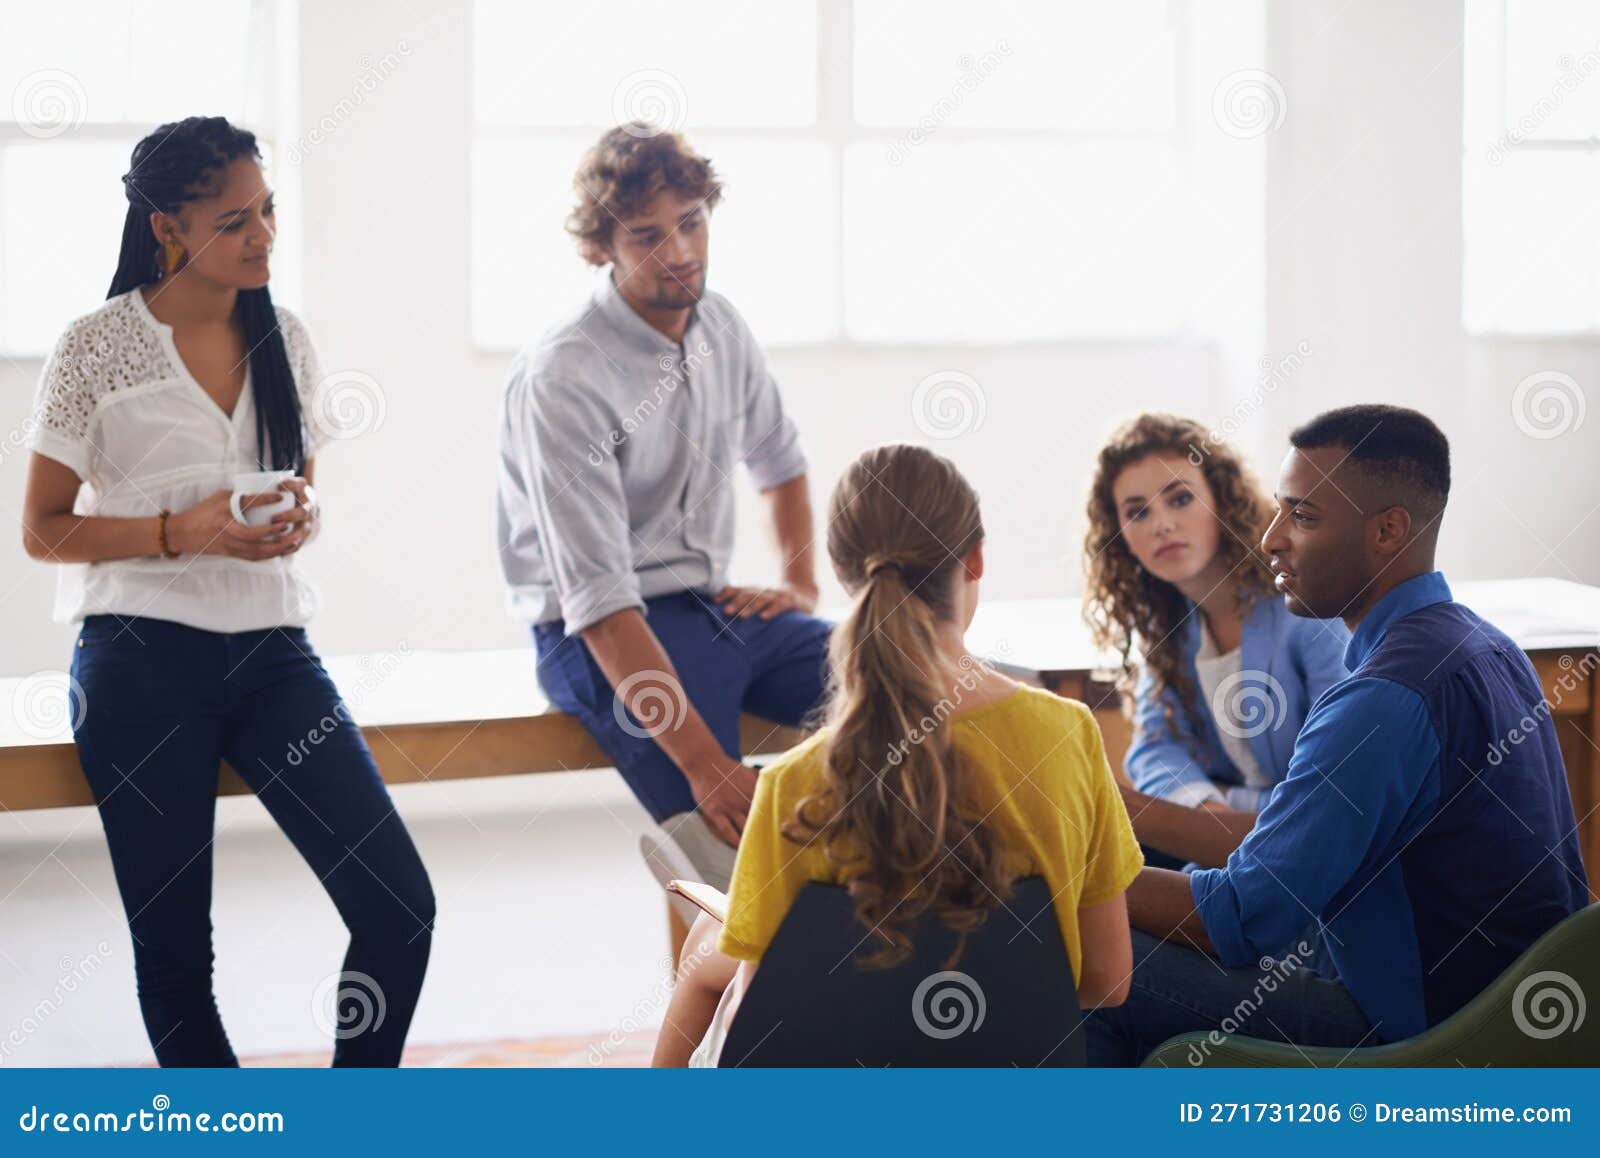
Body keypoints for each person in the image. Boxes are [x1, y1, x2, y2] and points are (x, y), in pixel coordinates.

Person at [19, 117, 434, 1067]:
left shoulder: (286, 335)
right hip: (137, 657)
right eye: (235, 218)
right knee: (175, 956)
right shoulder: (93, 348)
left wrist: (295, 525)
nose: (264, 236)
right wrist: (178, 532)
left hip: (271, 653)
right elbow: (43, 527)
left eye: (270, 210)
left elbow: (302, 491)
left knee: (398, 906)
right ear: (169, 227)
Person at [1086, 404, 1590, 1065]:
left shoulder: (1380, 699)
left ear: (1386, 532)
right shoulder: (1487, 645)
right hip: (1522, 1015)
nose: (1269, 539)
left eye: (1303, 516)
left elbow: (1237, 919)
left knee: (1084, 949)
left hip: (1429, 1034)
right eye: (1279, 510)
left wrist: (1073, 879)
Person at [651, 444, 1143, 1067]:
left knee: (706, 954)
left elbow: (768, 1033)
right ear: (975, 560)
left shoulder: (793, 783)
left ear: (846, 577)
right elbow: (1107, 979)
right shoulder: (1068, 735)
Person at [496, 125, 830, 889]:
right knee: (738, 860)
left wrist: (800, 586)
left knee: (905, 690)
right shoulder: (564, 376)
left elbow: (780, 462)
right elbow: (601, 601)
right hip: (593, 636)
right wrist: (708, 767)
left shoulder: (723, 325)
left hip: (712, 608)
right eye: (648, 236)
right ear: (598, 249)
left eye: (692, 223)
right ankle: (743, 1007)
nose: (679, 252)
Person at [1084, 413, 1349, 869]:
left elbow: (1338, 785)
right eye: (1137, 512)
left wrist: (1223, 812)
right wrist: (1211, 815)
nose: (1161, 524)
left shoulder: (1305, 606)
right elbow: (1153, 749)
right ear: (1121, 536)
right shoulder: (1167, 625)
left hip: (1322, 861)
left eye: (1181, 498)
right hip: (1233, 852)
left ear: (1223, 501)